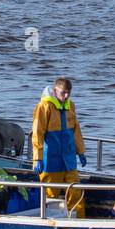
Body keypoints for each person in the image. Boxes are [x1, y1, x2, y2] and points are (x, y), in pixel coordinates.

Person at [31, 76, 88, 217]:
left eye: (69, 93)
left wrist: (80, 151)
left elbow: (76, 130)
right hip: (50, 159)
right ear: (55, 90)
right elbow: (37, 132)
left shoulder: (70, 106)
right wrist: (37, 158)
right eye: (63, 93)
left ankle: (80, 223)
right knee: (50, 195)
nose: (66, 96)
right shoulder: (44, 106)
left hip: (68, 159)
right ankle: (49, 223)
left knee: (76, 192)